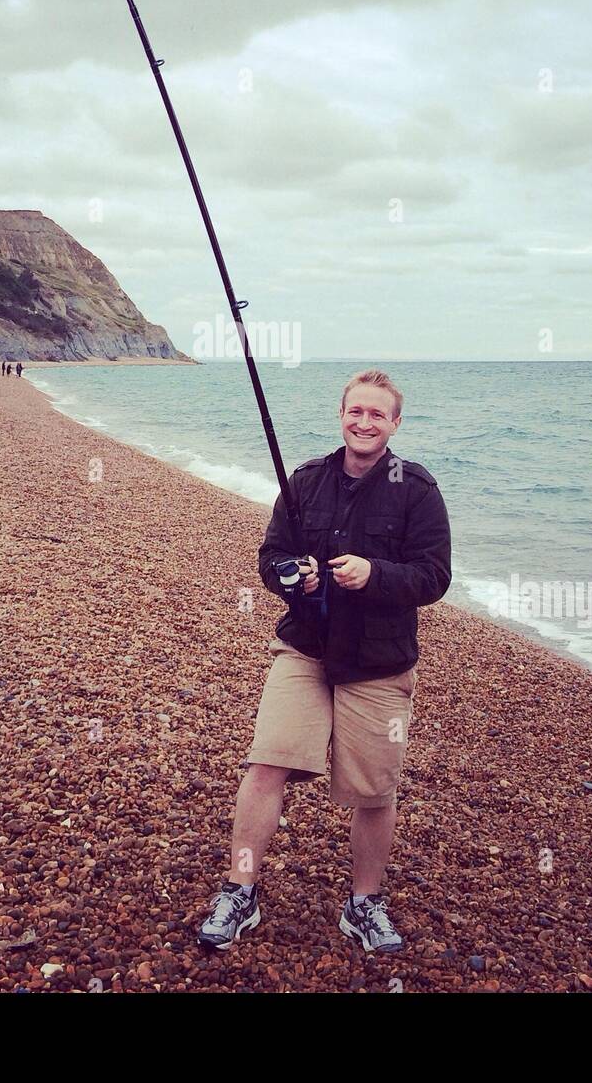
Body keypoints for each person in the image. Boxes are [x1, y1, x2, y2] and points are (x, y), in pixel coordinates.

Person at [197, 369, 450, 954]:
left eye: (377, 414)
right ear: (341, 414)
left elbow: (434, 576)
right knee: (266, 764)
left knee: (375, 790)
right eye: (355, 411)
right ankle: (240, 891)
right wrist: (295, 577)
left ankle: (364, 903)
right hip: (305, 646)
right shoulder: (307, 480)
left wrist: (374, 573)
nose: (365, 422)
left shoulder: (417, 489)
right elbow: (272, 557)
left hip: (379, 661)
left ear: (395, 423)